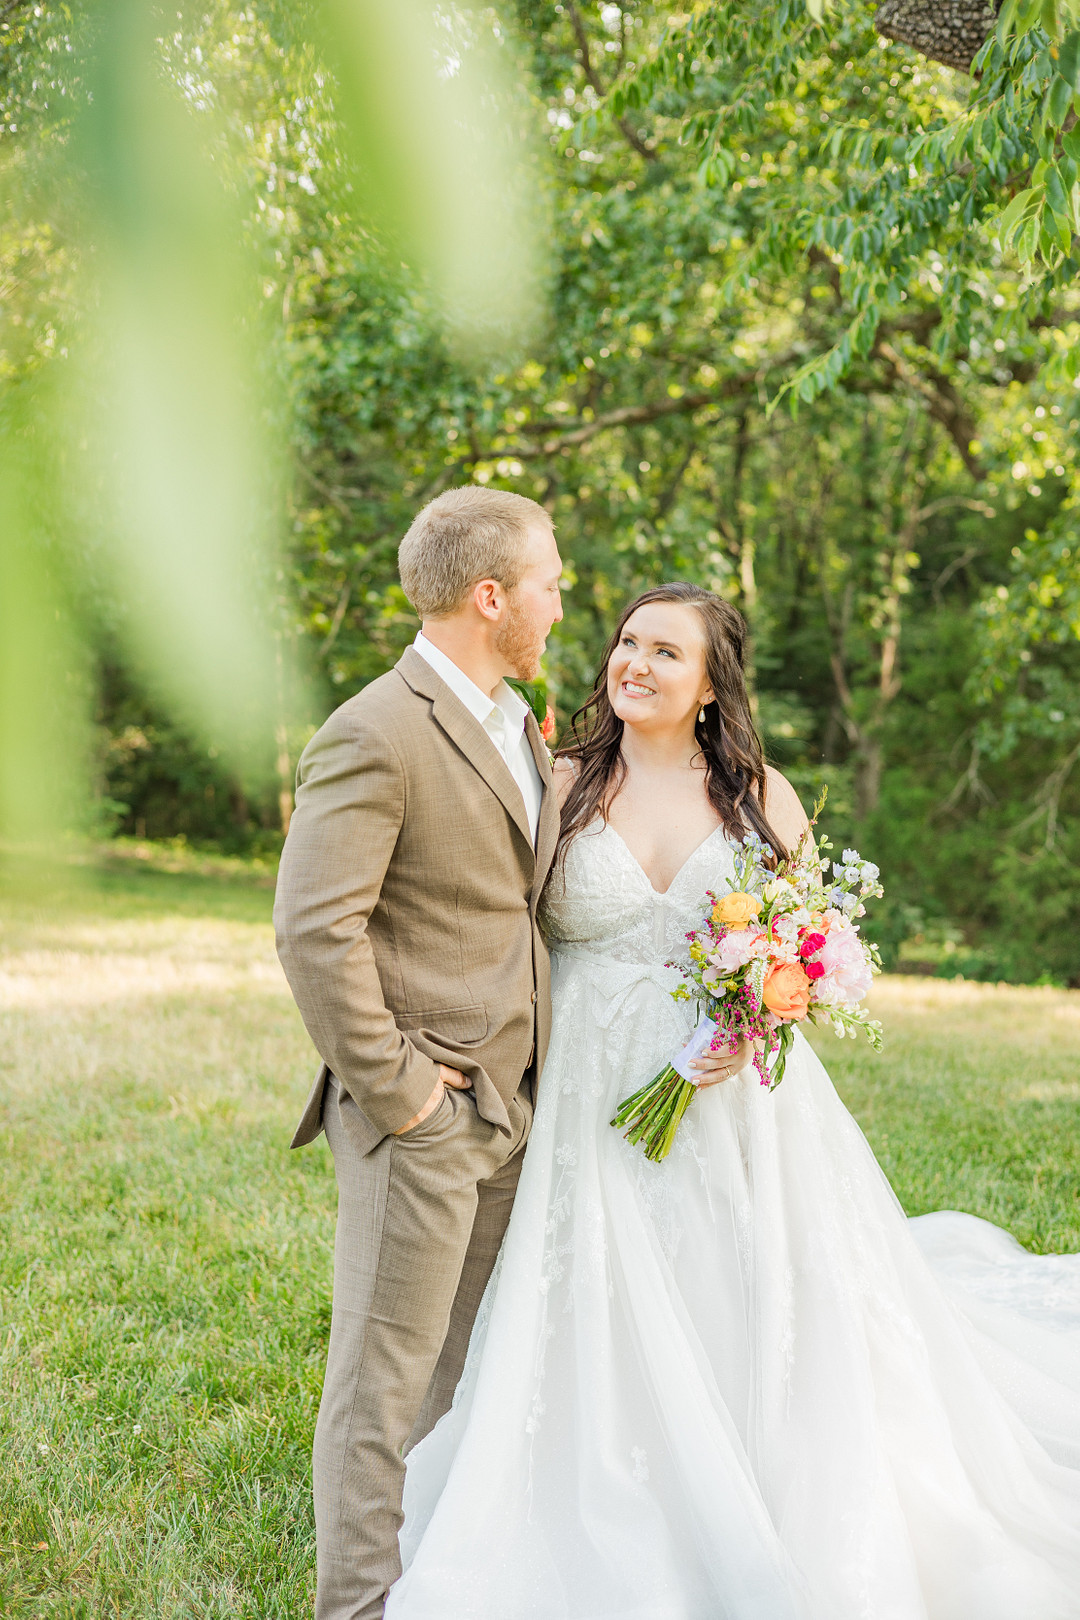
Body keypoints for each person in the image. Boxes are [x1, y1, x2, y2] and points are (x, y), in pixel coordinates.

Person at [385, 582, 1080, 1620]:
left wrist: (752, 1017)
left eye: (667, 651)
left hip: (736, 1098)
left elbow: (817, 947)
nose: (636, 663)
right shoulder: (557, 778)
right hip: (590, 1081)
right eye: (627, 642)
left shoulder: (758, 791)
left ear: (711, 685)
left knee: (760, 1281)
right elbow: (472, 906)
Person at [274, 501, 747, 1620]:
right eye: (551, 582)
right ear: (492, 597)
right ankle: (356, 1607)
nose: (565, 602)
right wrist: (402, 1095)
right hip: (424, 1118)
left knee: (458, 1369)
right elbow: (312, 929)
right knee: (382, 1384)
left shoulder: (515, 724)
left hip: (514, 1108)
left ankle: (437, 1571)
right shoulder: (375, 730)